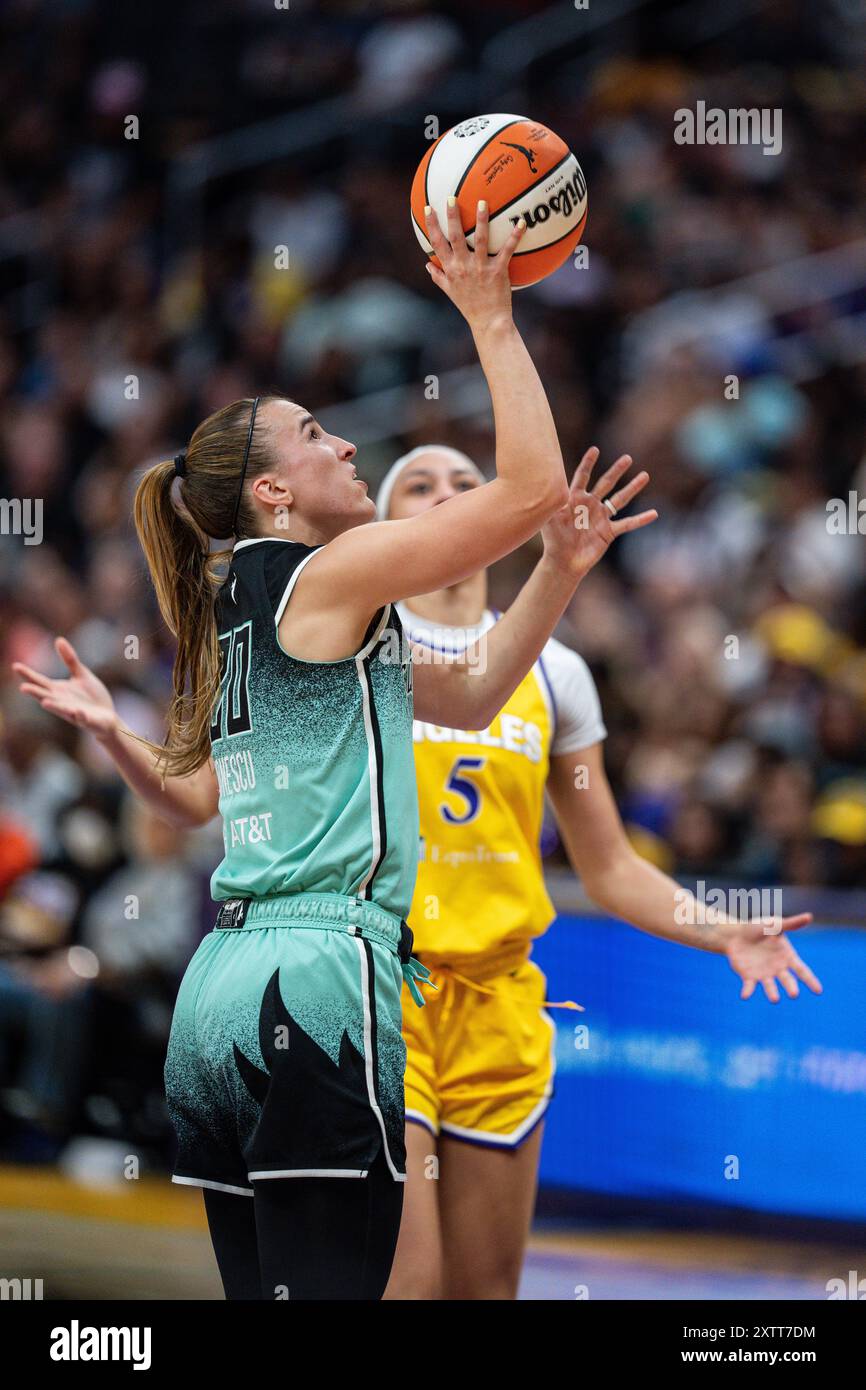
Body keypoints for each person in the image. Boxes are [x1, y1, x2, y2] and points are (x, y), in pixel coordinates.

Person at [11, 200, 640, 1300]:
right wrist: (491, 317)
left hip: (222, 986)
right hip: (320, 975)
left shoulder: (235, 611)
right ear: (271, 492)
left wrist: (557, 572)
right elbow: (531, 489)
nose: (347, 445)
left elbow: (463, 697)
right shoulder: (331, 575)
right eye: (315, 436)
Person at [376, 444, 824, 1301]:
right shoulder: (356, 643)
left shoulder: (555, 669)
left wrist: (720, 929)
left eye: (466, 483)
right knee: (409, 1283)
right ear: (384, 524)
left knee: (484, 1291)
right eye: (419, 485)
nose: (447, 494)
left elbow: (611, 864)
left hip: (499, 1003)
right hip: (383, 990)